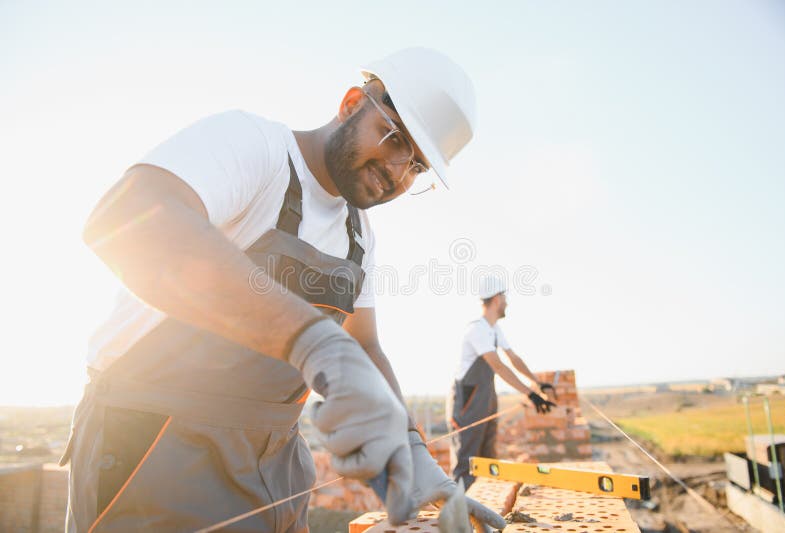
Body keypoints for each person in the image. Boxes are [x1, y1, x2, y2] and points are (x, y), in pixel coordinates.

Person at [64, 48, 506, 532]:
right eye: (395, 137)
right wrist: (311, 339)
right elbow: (125, 221)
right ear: (352, 102)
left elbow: (364, 344)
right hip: (157, 454)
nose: (398, 172)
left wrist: (411, 450)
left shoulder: (359, 235)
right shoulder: (255, 147)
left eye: (418, 167)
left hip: (276, 466)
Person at [447, 275, 557, 489]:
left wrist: (537, 383)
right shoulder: (477, 329)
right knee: (466, 462)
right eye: (505, 297)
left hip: (485, 398)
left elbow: (513, 358)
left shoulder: (494, 329)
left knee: (488, 459)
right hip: (467, 401)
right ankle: (459, 517)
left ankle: (483, 513)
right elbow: (498, 365)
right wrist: (530, 394)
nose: (507, 302)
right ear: (496, 299)